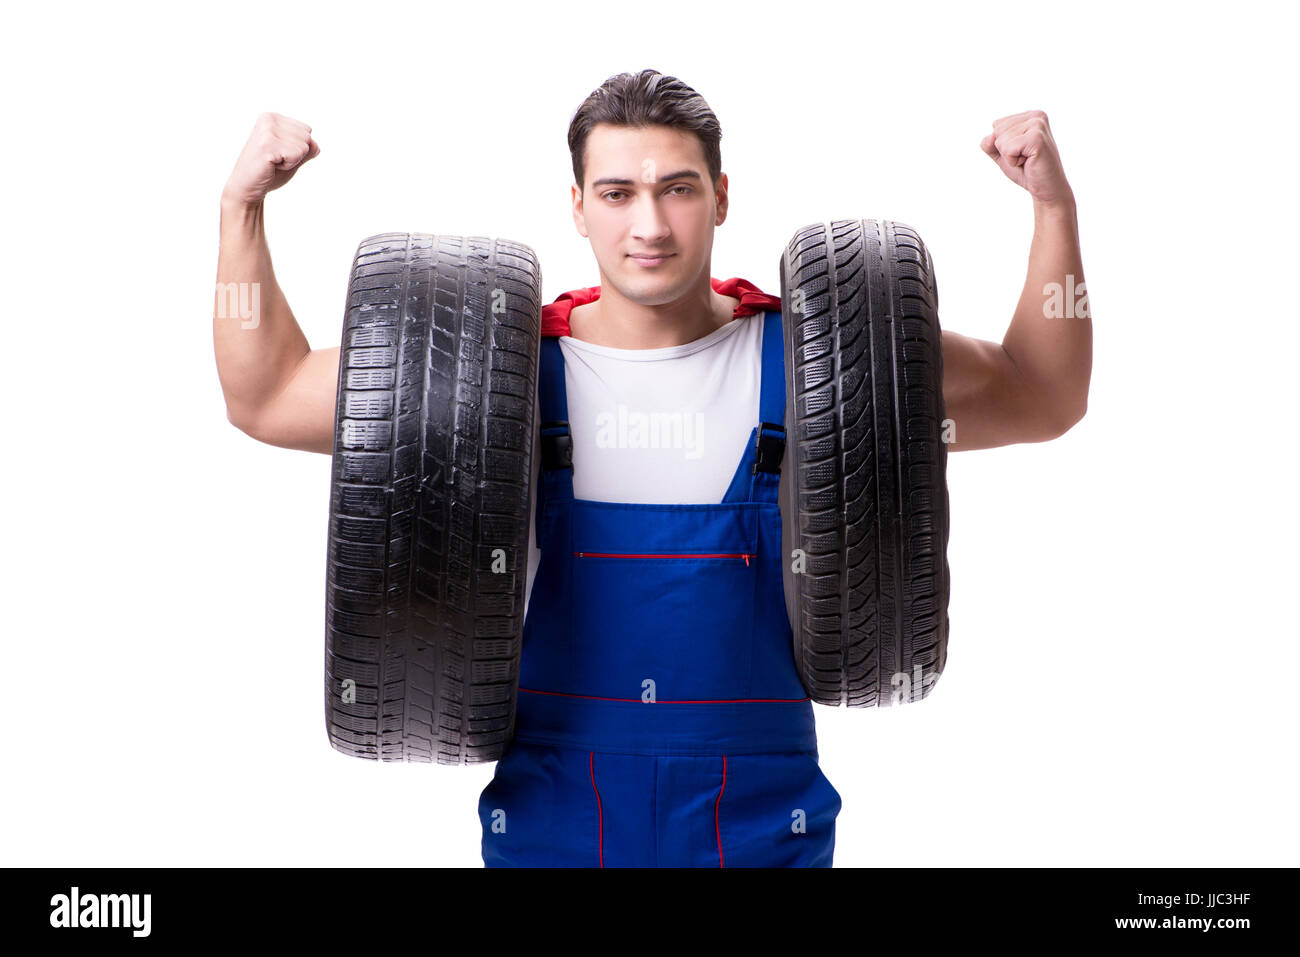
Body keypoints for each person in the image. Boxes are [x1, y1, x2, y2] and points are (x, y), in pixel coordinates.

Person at [213, 70, 1091, 867]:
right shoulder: (497, 372)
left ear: (719, 199)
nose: (649, 224)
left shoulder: (824, 363)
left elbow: (1041, 394)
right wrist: (240, 209)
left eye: (677, 189)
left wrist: (1054, 211)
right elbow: (270, 395)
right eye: (618, 192)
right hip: (553, 812)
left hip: (759, 822)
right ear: (577, 206)